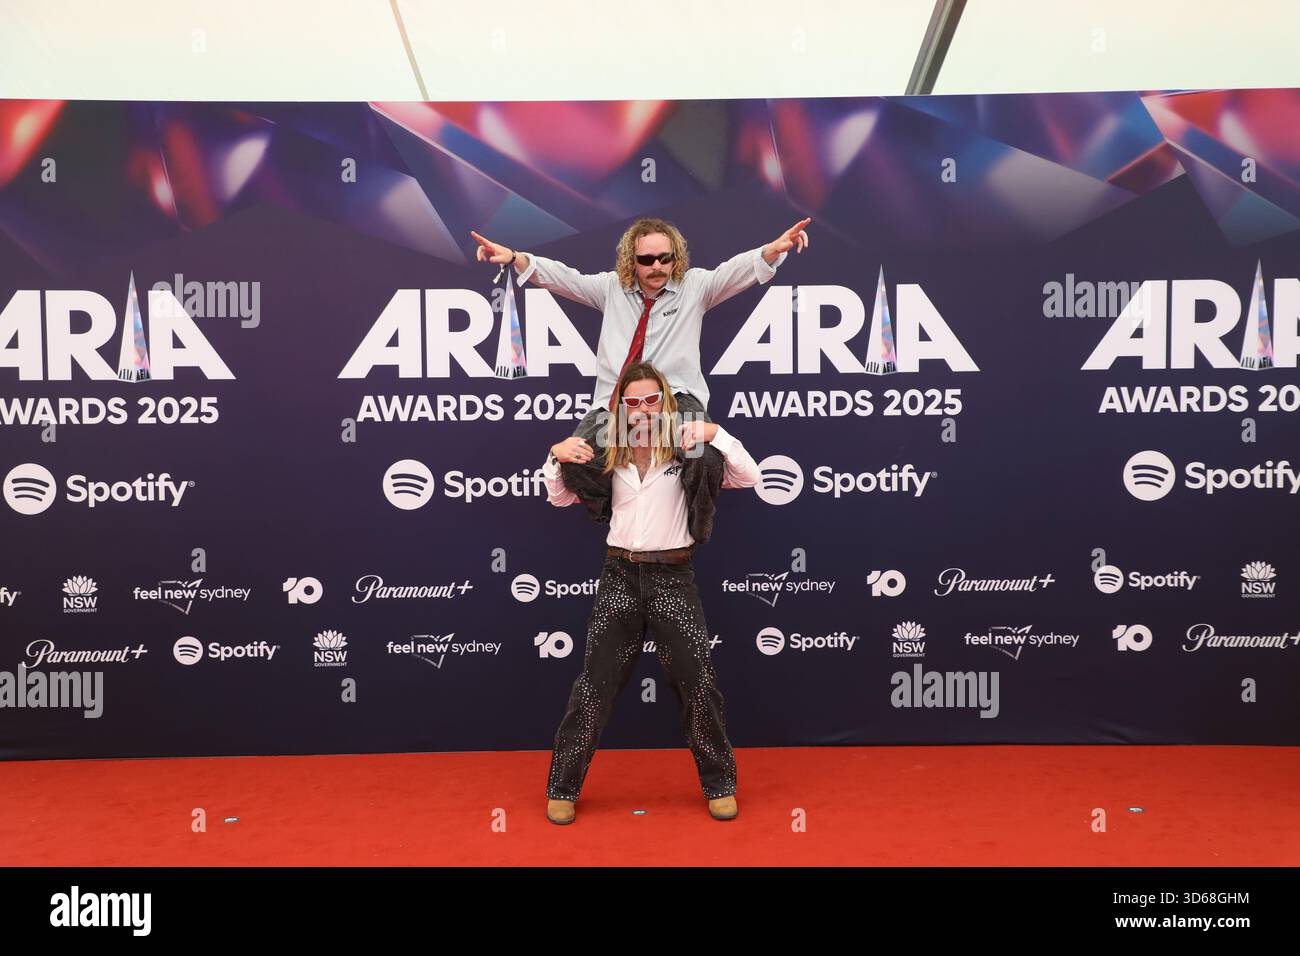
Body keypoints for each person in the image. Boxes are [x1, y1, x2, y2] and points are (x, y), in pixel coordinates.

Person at [472, 215, 809, 544]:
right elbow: (564, 278)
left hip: (676, 401)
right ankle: (613, 515)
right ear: (631, 261)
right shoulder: (611, 289)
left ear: (676, 257)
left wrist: (773, 250)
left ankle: (699, 519)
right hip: (616, 405)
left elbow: (734, 272)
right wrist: (517, 258)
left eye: (665, 258)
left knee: (705, 457)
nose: (657, 267)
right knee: (576, 461)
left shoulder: (695, 287)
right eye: (647, 259)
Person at [538, 361, 762, 824]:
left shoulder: (690, 452)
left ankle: (720, 784)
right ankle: (562, 787)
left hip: (673, 578)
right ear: (619, 407)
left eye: (651, 400)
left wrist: (716, 431)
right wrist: (555, 453)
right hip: (619, 574)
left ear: (667, 402)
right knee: (594, 687)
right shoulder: (607, 453)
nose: (642, 410)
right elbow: (559, 497)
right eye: (632, 402)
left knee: (698, 684)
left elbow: (750, 477)